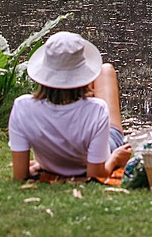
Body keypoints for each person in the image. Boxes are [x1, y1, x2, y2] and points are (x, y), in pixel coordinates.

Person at [8, 31, 133, 182]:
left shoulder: (22, 107)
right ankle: (78, 94)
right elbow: (95, 174)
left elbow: (20, 175)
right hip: (96, 155)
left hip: (51, 164)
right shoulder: (97, 109)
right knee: (105, 70)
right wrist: (115, 159)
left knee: (98, 79)